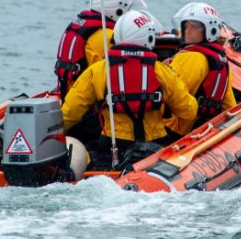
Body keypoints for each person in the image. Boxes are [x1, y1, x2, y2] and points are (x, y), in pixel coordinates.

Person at [61, 9, 197, 169]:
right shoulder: (162, 71)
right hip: (154, 149)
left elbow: (70, 113)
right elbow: (189, 111)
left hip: (112, 149)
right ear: (149, 38)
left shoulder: (97, 71)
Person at [53, 0, 145, 98]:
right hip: (88, 102)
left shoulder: (81, 25)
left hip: (69, 91)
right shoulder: (110, 37)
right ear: (119, 10)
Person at [166, 2, 236, 135]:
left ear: (210, 30)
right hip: (197, 127)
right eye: (185, 26)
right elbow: (229, 105)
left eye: (194, 27)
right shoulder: (221, 60)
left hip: (172, 128)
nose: (187, 31)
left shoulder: (190, 58)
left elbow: (168, 93)